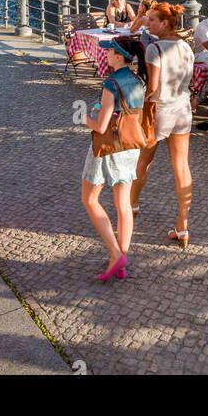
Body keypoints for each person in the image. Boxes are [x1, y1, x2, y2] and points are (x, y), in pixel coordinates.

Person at [80, 35, 147, 281]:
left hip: (109, 148)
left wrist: (84, 118)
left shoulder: (111, 83)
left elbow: (101, 126)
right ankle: (119, 261)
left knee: (89, 199)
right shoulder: (139, 79)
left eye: (109, 52)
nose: (106, 55)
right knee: (123, 205)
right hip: (131, 147)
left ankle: (115, 252)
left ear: (119, 56)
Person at [130, 3, 194, 246]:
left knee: (144, 161)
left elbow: (153, 88)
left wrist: (138, 102)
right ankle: (183, 225)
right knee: (181, 166)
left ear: (165, 23)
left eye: (152, 20)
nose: (148, 24)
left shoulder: (154, 49)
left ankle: (132, 205)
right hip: (183, 109)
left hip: (161, 111)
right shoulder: (187, 47)